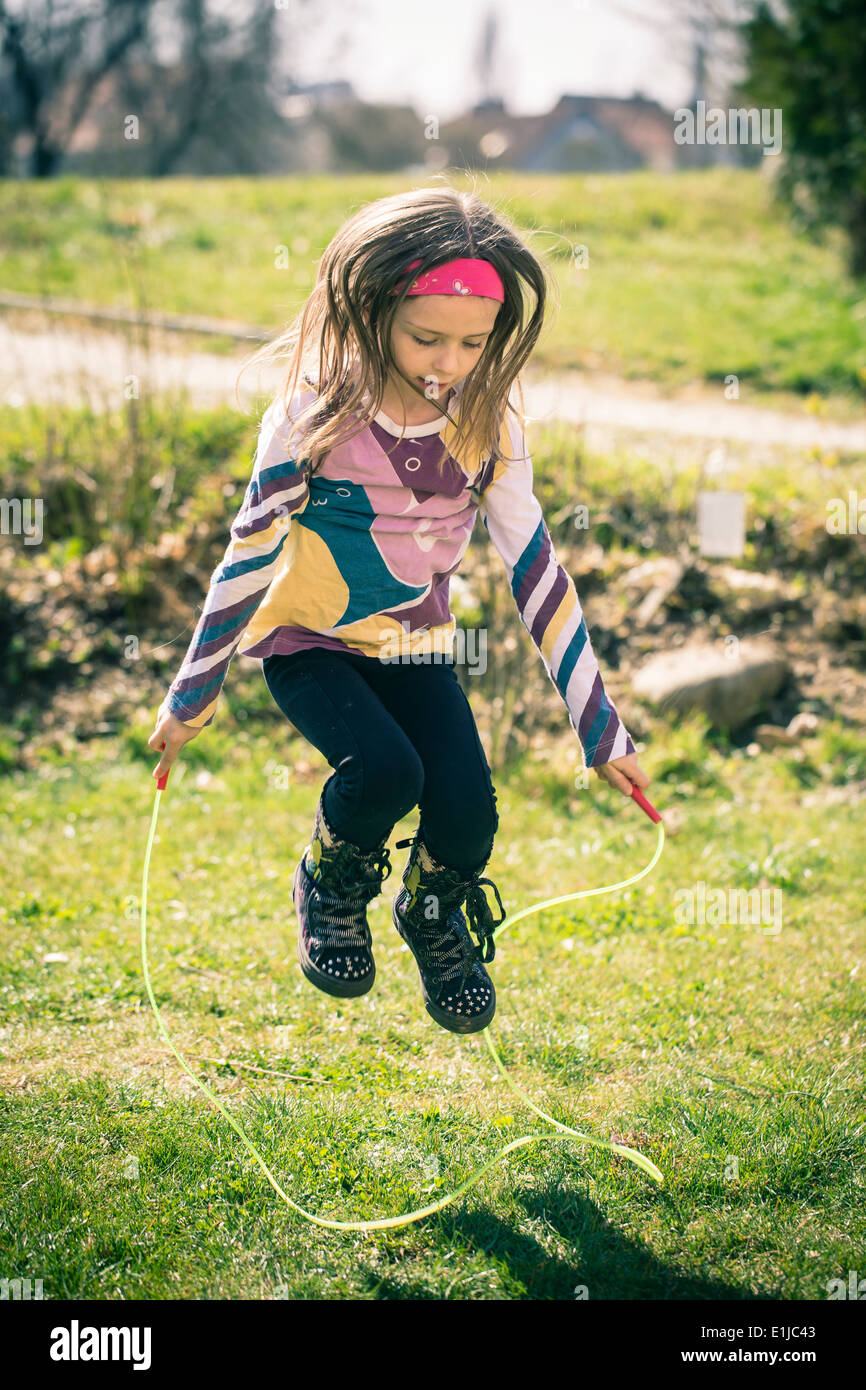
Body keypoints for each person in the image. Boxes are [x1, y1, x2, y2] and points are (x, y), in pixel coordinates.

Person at [148, 185, 650, 1036]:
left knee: (468, 812)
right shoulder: (312, 417)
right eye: (426, 337)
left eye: (472, 342)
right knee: (386, 773)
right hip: (310, 642)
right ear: (375, 310)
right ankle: (332, 880)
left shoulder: (490, 424)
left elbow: (536, 571)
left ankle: (430, 913)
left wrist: (600, 729)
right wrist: (191, 696)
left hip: (414, 646)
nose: (448, 361)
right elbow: (248, 552)